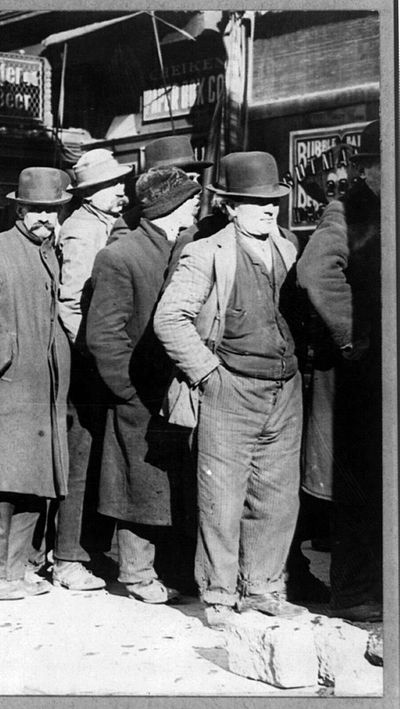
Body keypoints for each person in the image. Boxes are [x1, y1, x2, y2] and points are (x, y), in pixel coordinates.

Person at [154, 151, 307, 626]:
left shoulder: (287, 247)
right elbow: (169, 318)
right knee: (221, 499)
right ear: (230, 207)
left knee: (278, 496)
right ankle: (219, 596)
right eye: (255, 203)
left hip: (284, 389)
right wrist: (208, 373)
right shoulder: (206, 252)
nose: (269, 210)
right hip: (230, 388)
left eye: (274, 202)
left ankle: (261, 587)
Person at [0, 167, 73, 601]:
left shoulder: (48, 252)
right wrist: (10, 354)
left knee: (32, 487)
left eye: (52, 210)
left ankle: (15, 571)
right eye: (36, 209)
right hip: (5, 389)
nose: (44, 218)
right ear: (18, 209)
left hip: (39, 392)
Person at [85, 167, 201, 604]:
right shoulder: (120, 256)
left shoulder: (187, 247)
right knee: (137, 484)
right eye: (189, 199)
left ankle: (170, 570)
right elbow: (103, 335)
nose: (196, 206)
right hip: (138, 393)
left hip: (174, 390)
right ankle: (135, 574)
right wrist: (128, 390)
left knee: (167, 483)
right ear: (168, 208)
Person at [296, 120, 382, 622]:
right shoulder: (344, 213)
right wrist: (354, 335)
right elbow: (316, 273)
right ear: (364, 168)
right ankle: (352, 593)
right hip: (359, 376)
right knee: (361, 483)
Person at [54, 148, 133, 592]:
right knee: (80, 460)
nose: (121, 191)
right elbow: (72, 303)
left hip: (96, 356)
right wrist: (93, 354)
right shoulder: (83, 231)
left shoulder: (108, 224)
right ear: (90, 194)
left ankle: (88, 549)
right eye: (112, 186)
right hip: (85, 362)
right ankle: (67, 557)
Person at [110, 135, 212, 241]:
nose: (197, 189)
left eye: (197, 179)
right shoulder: (128, 226)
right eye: (189, 179)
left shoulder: (195, 218)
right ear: (161, 182)